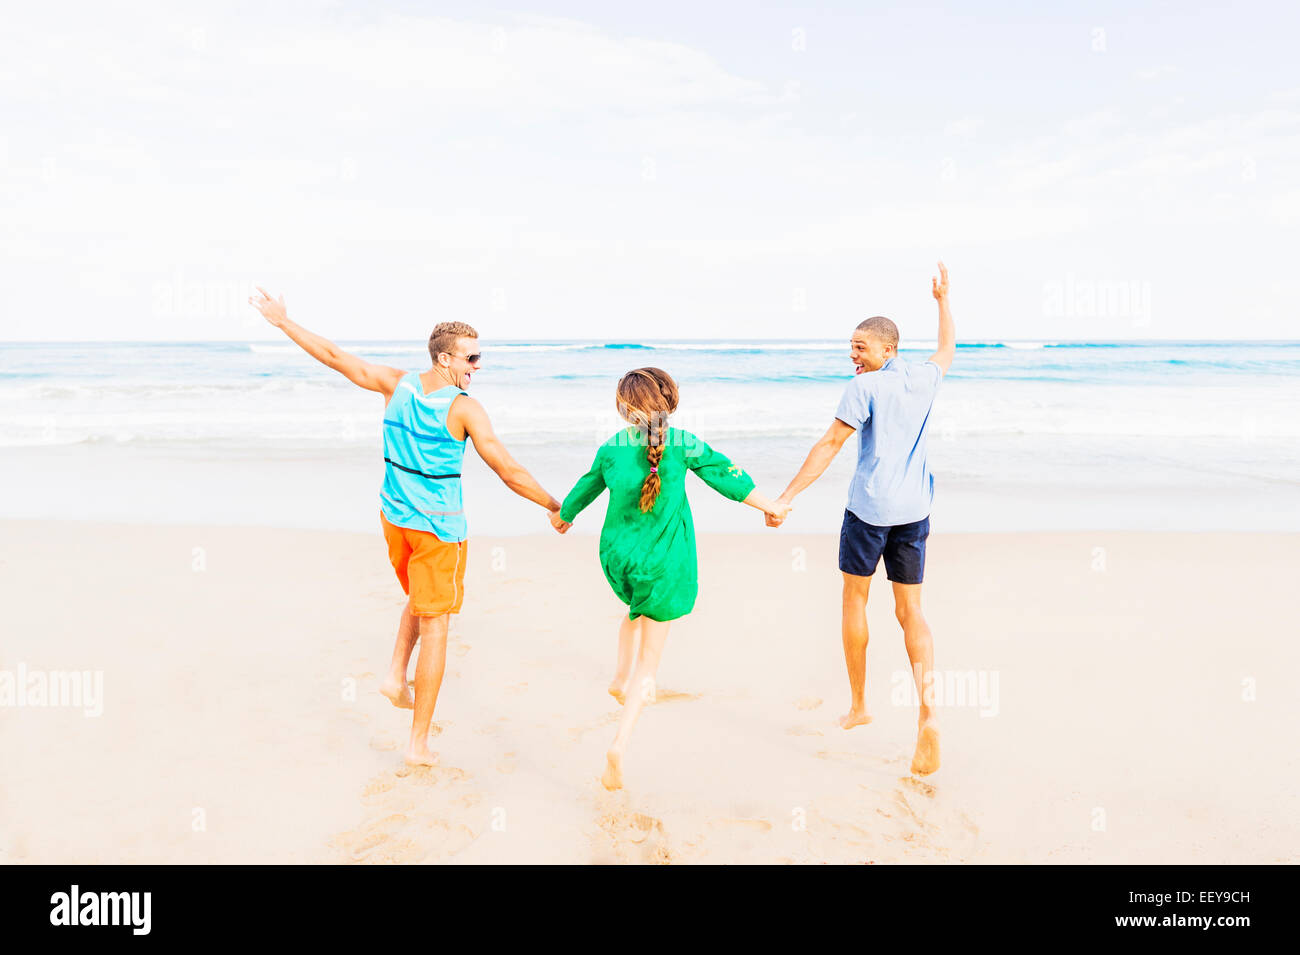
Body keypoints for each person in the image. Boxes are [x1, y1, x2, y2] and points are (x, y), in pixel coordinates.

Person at [248, 288, 563, 767]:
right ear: (444, 358)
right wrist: (554, 504)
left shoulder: (396, 385)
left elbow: (333, 356)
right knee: (436, 627)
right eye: (471, 358)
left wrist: (283, 322)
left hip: (394, 518)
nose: (477, 366)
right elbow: (506, 468)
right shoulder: (464, 409)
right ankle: (418, 744)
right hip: (439, 532)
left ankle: (395, 676)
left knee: (419, 598)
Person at [550, 367, 791, 790]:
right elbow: (726, 477)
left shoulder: (611, 448)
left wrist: (564, 515)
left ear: (625, 408)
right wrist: (769, 506)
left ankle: (618, 677)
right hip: (663, 563)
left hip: (618, 559)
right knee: (652, 663)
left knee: (634, 610)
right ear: (671, 402)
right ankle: (620, 743)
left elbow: (586, 488)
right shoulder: (682, 445)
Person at [768, 262, 954, 776]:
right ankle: (928, 712)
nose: (853, 355)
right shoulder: (923, 379)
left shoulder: (864, 388)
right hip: (915, 512)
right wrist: (942, 300)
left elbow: (829, 443)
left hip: (870, 512)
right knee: (911, 612)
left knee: (855, 598)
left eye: (861, 348)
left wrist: (786, 497)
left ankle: (858, 706)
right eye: (851, 347)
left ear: (886, 349)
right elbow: (947, 349)